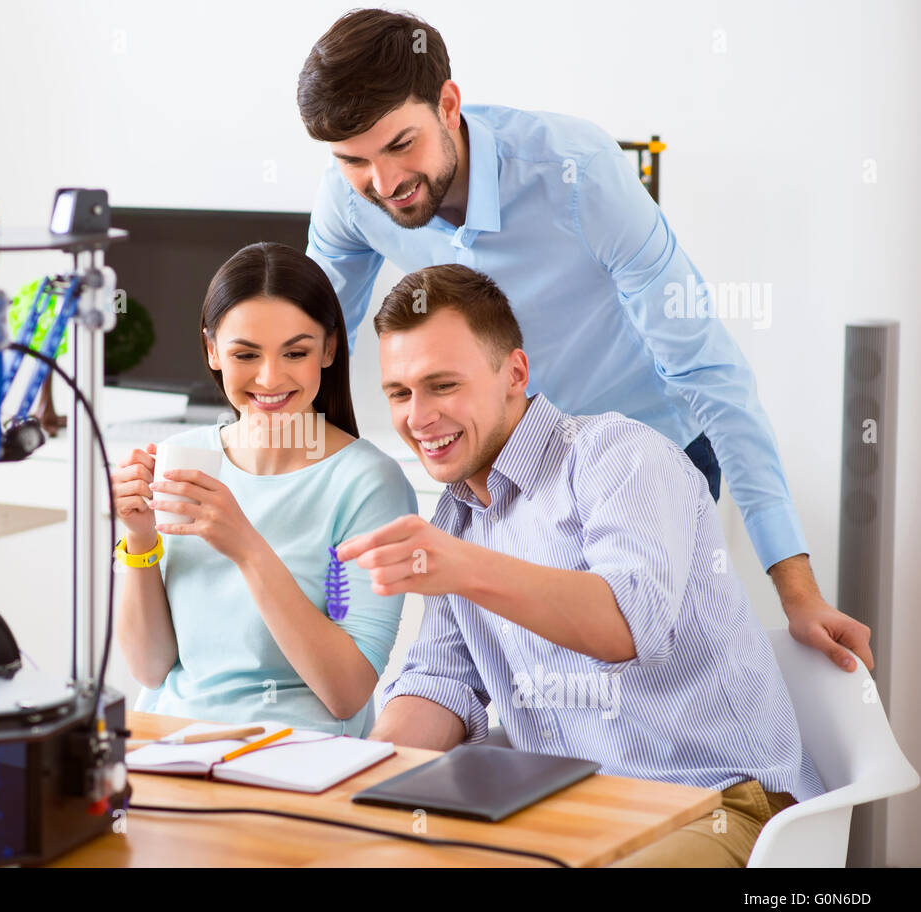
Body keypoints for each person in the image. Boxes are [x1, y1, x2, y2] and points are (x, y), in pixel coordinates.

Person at [298, 8, 871, 673]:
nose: (383, 181)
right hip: (510, 468)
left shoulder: (579, 173)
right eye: (353, 160)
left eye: (401, 145)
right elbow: (310, 348)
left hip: (650, 452)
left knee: (636, 677)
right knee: (517, 680)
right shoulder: (351, 200)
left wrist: (797, 592)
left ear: (448, 105)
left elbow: (708, 371)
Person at [337, 264, 824, 866]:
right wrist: (363, 772)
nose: (418, 417)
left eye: (443, 385)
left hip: (720, 803)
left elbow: (626, 624)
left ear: (514, 373)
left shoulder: (620, 458)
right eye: (400, 393)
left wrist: (461, 567)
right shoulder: (456, 521)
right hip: (562, 808)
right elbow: (439, 685)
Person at [112, 242, 417, 736]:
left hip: (293, 759)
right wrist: (139, 539)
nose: (270, 377)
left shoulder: (367, 482)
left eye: (295, 352)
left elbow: (346, 693)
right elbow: (150, 669)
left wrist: (246, 546)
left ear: (330, 348)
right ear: (212, 349)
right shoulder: (182, 456)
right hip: (169, 746)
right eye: (245, 354)